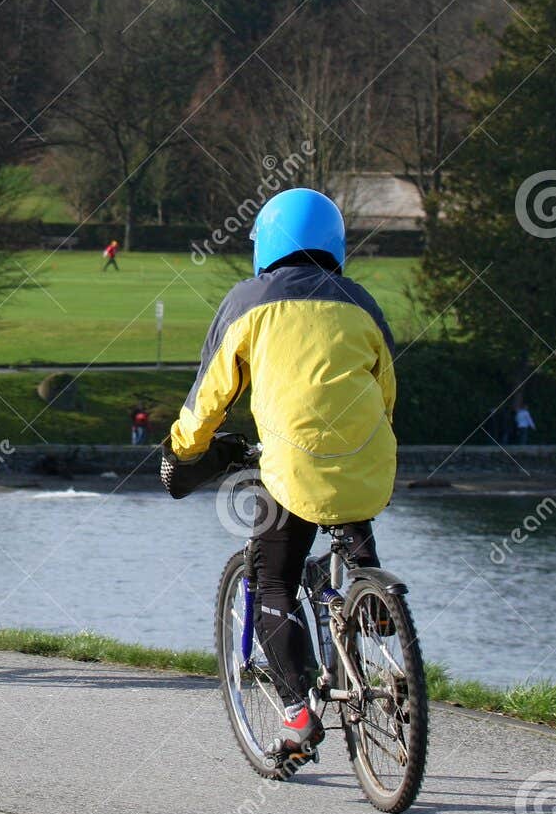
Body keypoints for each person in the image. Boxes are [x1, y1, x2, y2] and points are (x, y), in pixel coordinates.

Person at [160, 188, 396, 761]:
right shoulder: (362, 303)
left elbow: (209, 397)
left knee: (272, 582)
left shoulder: (248, 301)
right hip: (369, 460)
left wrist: (181, 450)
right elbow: (386, 392)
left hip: (291, 465)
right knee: (348, 528)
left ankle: (296, 717)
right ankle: (373, 598)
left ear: (265, 243)